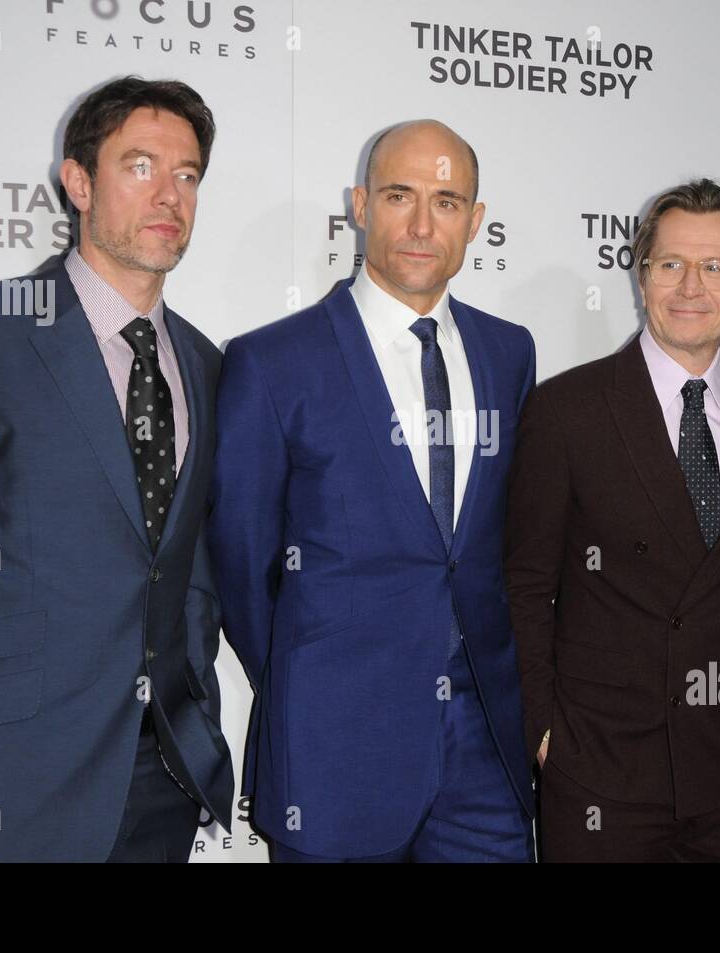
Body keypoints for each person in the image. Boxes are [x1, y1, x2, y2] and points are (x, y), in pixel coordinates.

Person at [0, 77, 235, 862]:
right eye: (139, 165)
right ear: (78, 181)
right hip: (7, 790)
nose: (169, 193)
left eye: (188, 174)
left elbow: (183, 570)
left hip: (162, 782)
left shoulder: (204, 362)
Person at [208, 120, 536, 862]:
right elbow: (239, 563)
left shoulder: (508, 351)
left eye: (447, 201)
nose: (422, 224)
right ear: (360, 204)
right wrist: (317, 677)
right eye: (399, 195)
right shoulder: (271, 361)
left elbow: (500, 546)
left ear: (476, 221)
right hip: (333, 756)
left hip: (484, 758)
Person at [505, 179, 720, 862]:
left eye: (715, 267)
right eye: (670, 264)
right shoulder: (568, 410)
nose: (691, 286)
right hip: (603, 772)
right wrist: (544, 731)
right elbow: (524, 584)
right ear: (642, 278)